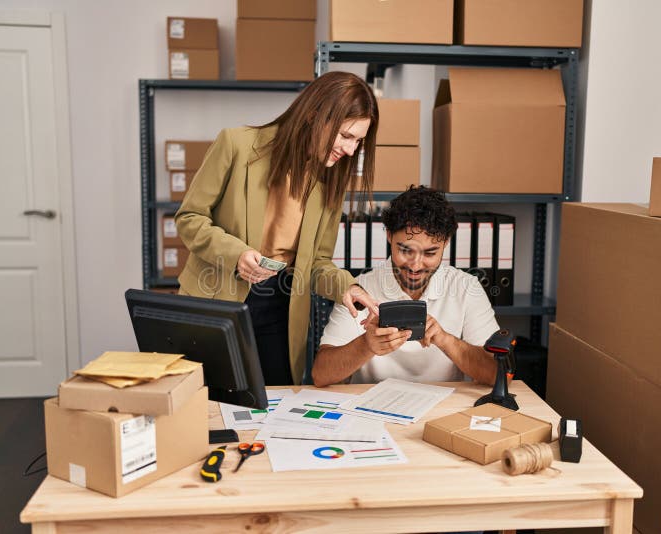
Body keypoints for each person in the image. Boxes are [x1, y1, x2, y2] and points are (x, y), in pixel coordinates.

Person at [175, 71, 379, 386]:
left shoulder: (329, 183)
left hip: (281, 304)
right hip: (217, 294)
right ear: (315, 115)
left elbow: (318, 265)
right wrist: (236, 255)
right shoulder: (237, 145)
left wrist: (346, 288)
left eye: (358, 141)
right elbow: (189, 218)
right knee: (206, 402)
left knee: (273, 403)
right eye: (345, 136)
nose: (351, 151)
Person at [311, 186, 500, 387]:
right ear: (389, 236)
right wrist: (366, 345)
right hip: (371, 409)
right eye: (405, 250)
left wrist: (446, 341)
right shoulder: (360, 289)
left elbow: (497, 374)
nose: (416, 265)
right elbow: (321, 375)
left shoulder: (466, 287)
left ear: (445, 243)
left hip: (441, 411)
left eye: (429, 253)